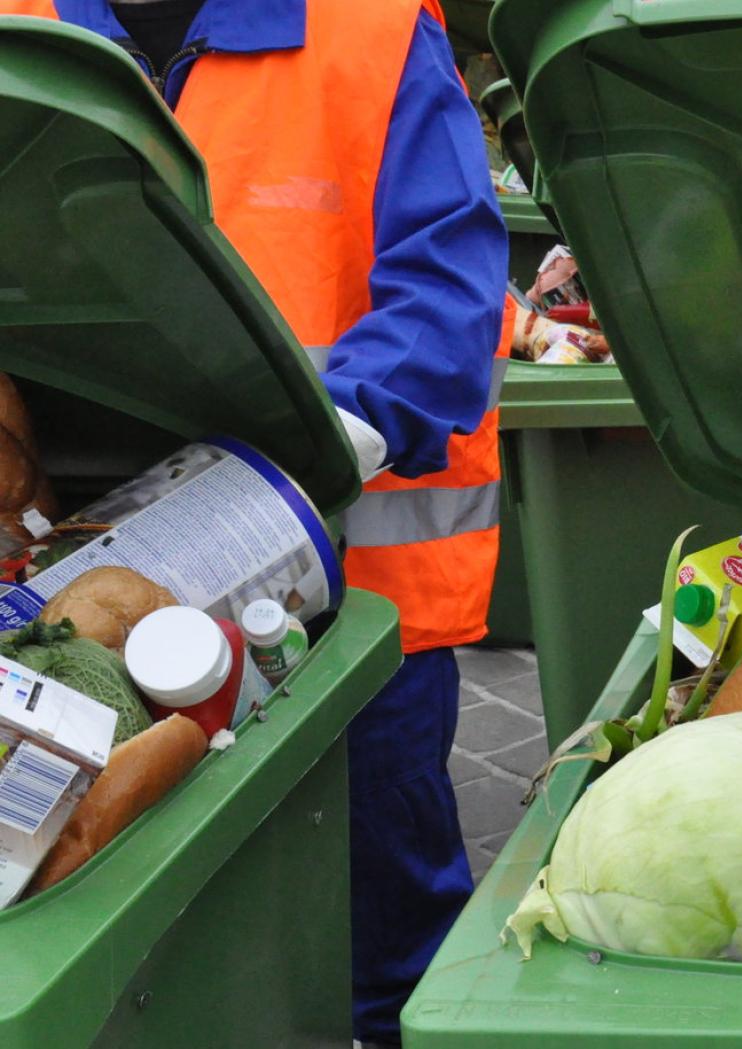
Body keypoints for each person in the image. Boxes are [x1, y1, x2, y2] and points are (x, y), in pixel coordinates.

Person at [0, 0, 511, 1040]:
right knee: (116, 946)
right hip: (67, 603)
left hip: (352, 616)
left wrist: (337, 437)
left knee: (382, 952)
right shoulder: (21, 32)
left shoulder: (365, 31)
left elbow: (449, 288)